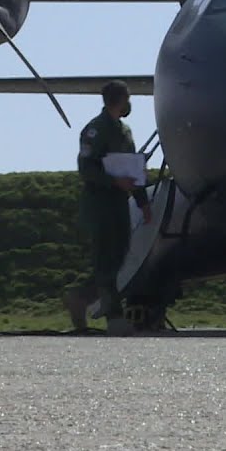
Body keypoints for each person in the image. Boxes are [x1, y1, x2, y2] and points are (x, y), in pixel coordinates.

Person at [67, 80, 152, 333]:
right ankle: (114, 316)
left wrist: (143, 202)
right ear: (119, 100)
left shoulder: (124, 131)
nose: (130, 104)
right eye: (127, 98)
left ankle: (81, 297)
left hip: (119, 203)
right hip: (100, 203)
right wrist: (114, 181)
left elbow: (133, 169)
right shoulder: (95, 130)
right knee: (105, 259)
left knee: (118, 258)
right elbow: (87, 168)